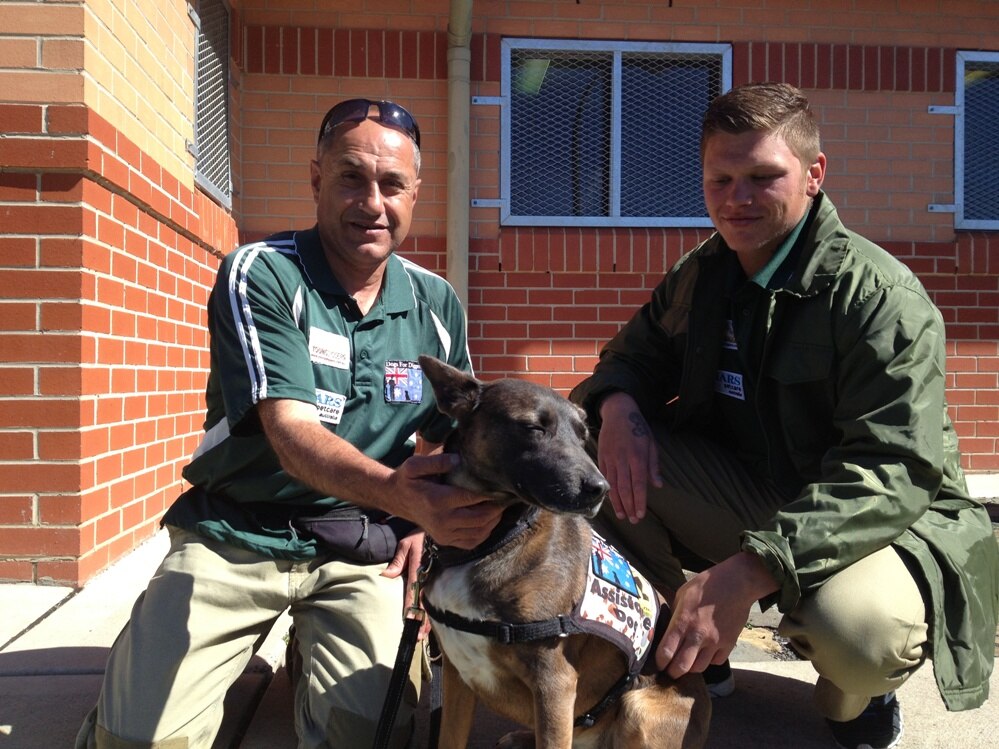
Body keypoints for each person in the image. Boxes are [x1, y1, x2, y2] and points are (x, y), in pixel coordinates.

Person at [570, 82, 998, 749]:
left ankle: (857, 701)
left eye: (762, 177)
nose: (737, 198)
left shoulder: (877, 297)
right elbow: (632, 356)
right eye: (721, 178)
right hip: (756, 486)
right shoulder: (703, 272)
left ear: (813, 173)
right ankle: (687, 650)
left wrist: (751, 568)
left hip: (881, 522)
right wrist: (619, 406)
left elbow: (892, 468)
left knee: (860, 632)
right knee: (590, 451)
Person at [76, 98, 504, 749]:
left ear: (415, 193)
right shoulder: (264, 272)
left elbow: (452, 424)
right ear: (315, 179)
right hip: (236, 530)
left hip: (360, 545)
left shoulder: (434, 300)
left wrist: (424, 520)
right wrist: (402, 494)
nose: (371, 202)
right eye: (350, 178)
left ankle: (314, 648)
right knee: (139, 740)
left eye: (391, 185)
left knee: (373, 731)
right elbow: (290, 432)